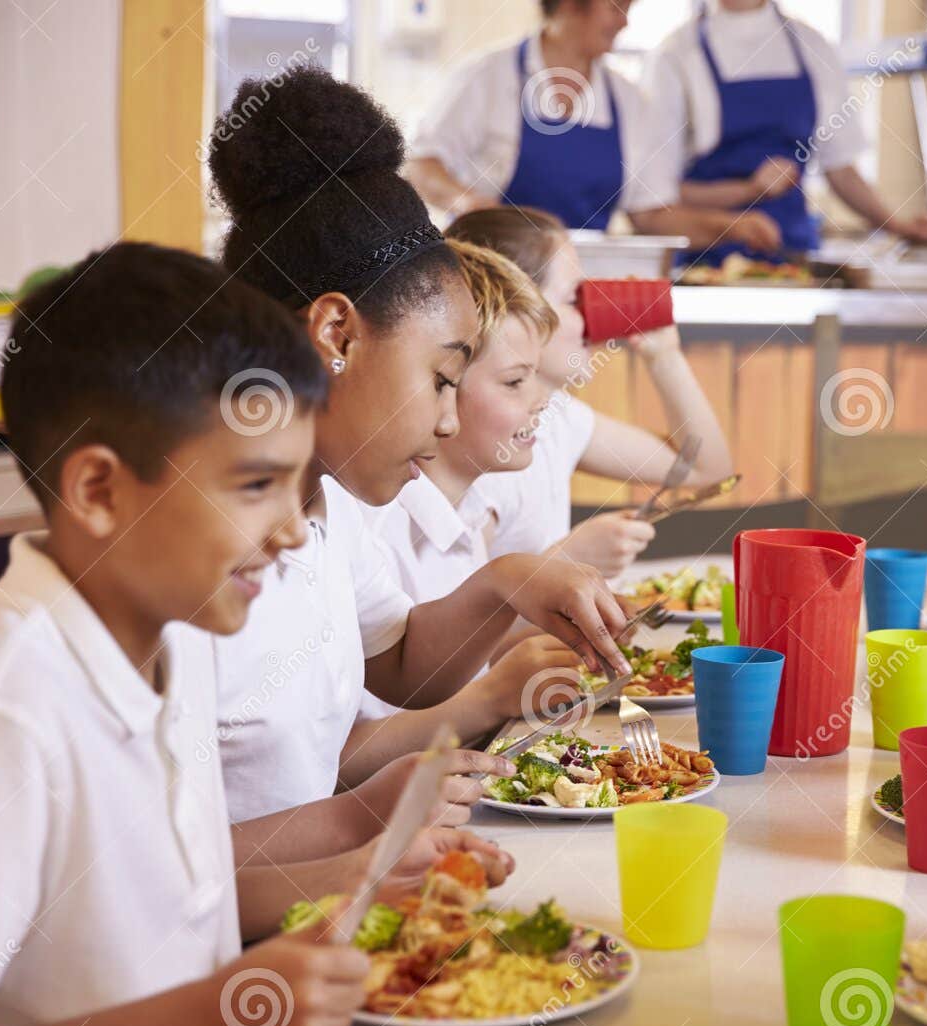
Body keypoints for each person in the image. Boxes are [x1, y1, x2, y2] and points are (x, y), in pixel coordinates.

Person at [0, 243, 372, 1026]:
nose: (295, 530)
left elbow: (164, 908)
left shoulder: (178, 639)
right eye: (255, 486)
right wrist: (204, 1025)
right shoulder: (6, 712)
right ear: (98, 491)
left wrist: (354, 878)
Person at [204, 67, 631, 836]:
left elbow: (399, 665)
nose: (445, 421)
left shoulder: (325, 503)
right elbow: (155, 872)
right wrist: (358, 829)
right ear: (336, 336)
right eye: (441, 379)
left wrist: (509, 580)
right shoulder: (192, 560)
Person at [346, 241, 583, 774]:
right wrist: (493, 695)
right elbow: (337, 756)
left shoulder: (470, 513)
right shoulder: (374, 527)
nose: (541, 399)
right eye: (516, 381)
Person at [447, 206, 734, 577]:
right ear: (519, 309)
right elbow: (460, 630)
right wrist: (564, 563)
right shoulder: (480, 457)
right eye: (573, 298)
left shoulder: (554, 417)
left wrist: (665, 356)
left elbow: (705, 469)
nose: (592, 312)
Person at [405, 0, 780, 255]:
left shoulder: (629, 101)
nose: (624, 21)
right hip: (488, 282)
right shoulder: (487, 76)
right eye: (616, 6)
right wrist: (466, 201)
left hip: (580, 291)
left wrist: (730, 226)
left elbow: (650, 215)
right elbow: (421, 166)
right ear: (570, 4)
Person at [645, 0, 927, 264]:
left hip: (793, 260)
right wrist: (749, 191)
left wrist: (897, 226)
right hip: (703, 266)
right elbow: (657, 198)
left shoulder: (812, 47)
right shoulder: (676, 54)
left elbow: (842, 171)